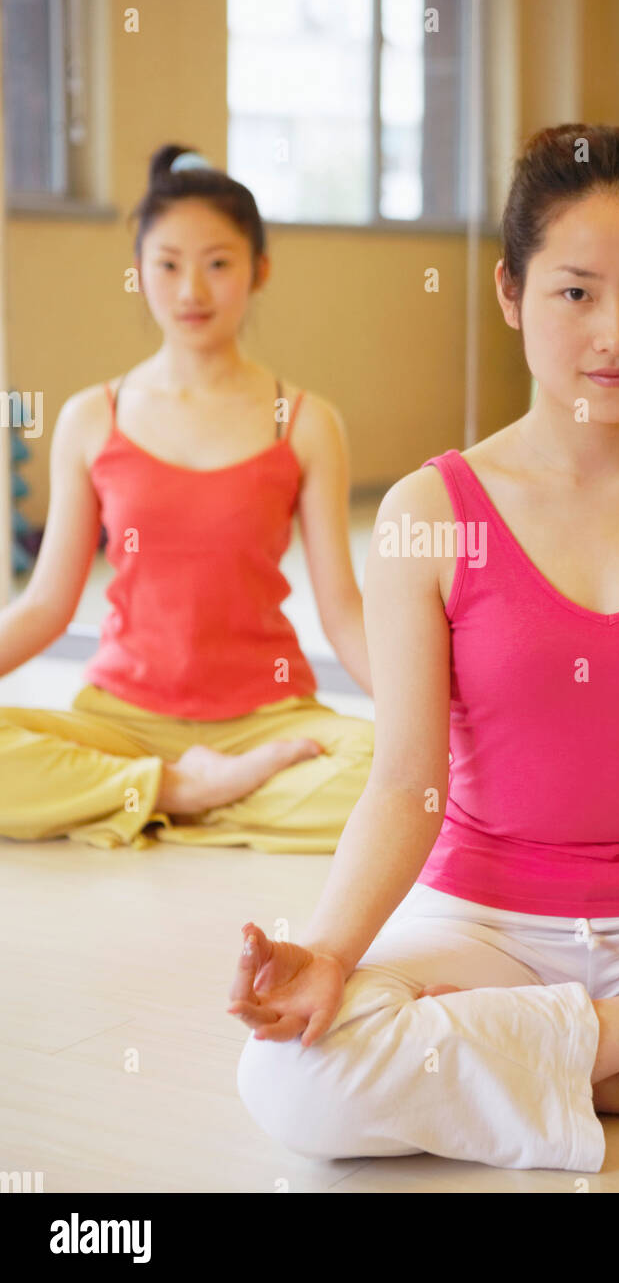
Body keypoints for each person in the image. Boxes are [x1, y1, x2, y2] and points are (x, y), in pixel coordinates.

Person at [229, 124, 619, 1173]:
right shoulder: (429, 510)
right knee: (292, 1076)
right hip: (481, 924)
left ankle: (582, 1058)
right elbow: (402, 788)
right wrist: (331, 956)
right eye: (575, 291)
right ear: (509, 292)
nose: (616, 332)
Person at [0, 145, 374, 851]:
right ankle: (184, 792)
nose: (190, 290)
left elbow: (344, 612)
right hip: (122, 719)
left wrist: (437, 717)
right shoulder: (91, 416)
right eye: (167, 264)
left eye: (218, 263)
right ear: (139, 272)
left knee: (407, 772)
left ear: (259, 270)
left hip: (269, 719)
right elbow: (46, 606)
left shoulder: (306, 421)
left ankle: (141, 799)